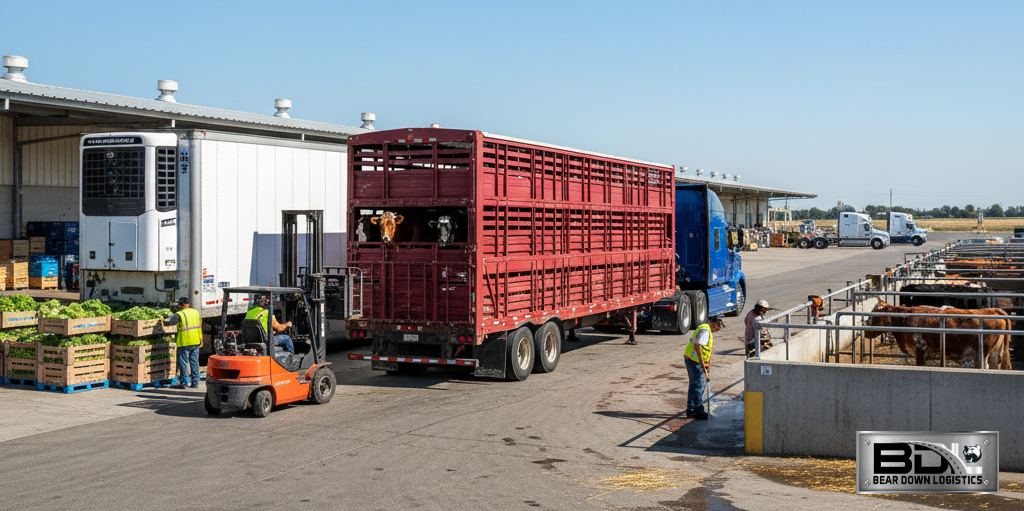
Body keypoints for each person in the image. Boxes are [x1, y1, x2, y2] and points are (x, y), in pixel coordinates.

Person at [684, 317, 723, 420]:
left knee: (694, 385)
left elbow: (707, 349)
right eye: (718, 326)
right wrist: (702, 362)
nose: (718, 329)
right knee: (698, 385)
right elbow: (697, 346)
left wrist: (707, 362)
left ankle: (691, 409)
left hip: (694, 360)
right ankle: (698, 409)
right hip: (694, 361)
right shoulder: (705, 330)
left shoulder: (706, 330)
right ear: (714, 323)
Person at [164, 297, 202, 389]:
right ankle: (195, 382)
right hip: (196, 340)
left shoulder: (180, 314)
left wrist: (162, 318)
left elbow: (169, 322)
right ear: (188, 304)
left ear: (181, 305)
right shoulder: (196, 312)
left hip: (185, 341)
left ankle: (184, 382)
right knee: (194, 362)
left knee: (184, 363)